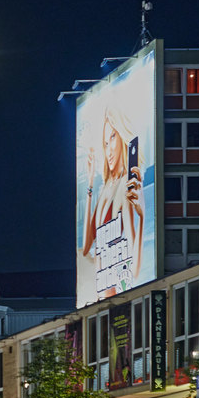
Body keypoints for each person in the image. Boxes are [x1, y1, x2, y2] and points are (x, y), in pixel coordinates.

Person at [81, 108, 144, 301]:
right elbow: (86, 247)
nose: (108, 150)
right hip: (101, 300)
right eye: (105, 143)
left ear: (123, 138)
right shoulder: (105, 188)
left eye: (113, 138)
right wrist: (90, 184)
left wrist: (141, 217)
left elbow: (133, 268)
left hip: (117, 298)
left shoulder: (125, 188)